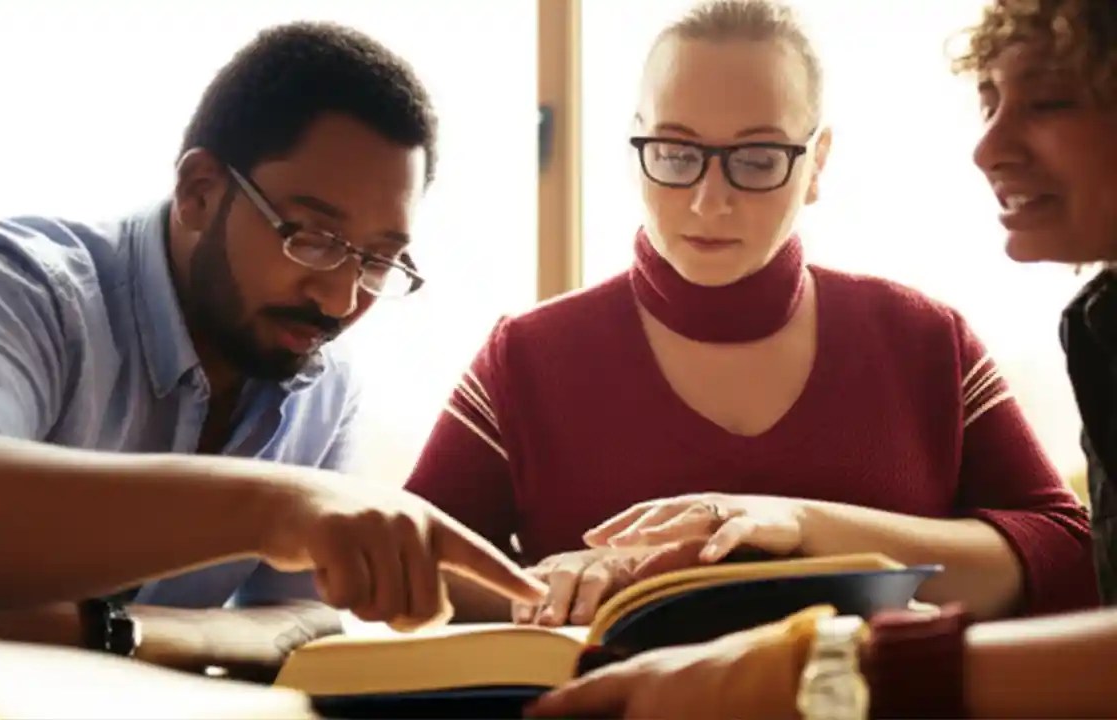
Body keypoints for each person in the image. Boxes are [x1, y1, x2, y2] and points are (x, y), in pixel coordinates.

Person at [0, 21, 544, 669]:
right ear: (200, 191)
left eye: (378, 260)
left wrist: (126, 633)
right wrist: (276, 506)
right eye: (313, 238)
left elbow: (304, 619)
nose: (339, 299)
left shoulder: (319, 378)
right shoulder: (17, 287)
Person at [405, 0, 1095, 627]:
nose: (709, 201)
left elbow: (1073, 558)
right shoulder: (527, 355)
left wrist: (800, 525)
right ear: (636, 148)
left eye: (758, 158)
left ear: (817, 161)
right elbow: (409, 562)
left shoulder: (924, 341)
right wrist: (559, 585)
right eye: (675, 154)